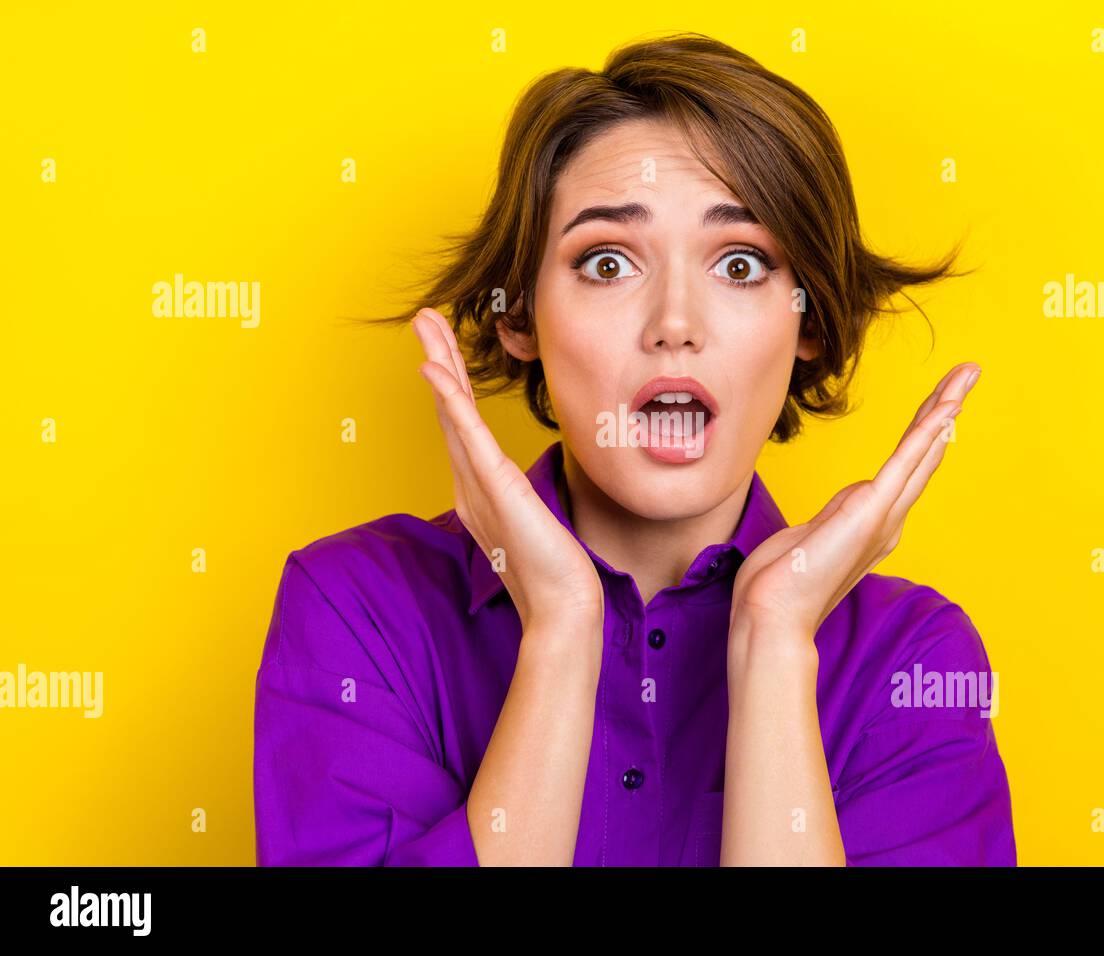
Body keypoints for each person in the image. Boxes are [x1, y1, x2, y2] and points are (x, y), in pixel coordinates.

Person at [254, 32, 1015, 866]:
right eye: (608, 263)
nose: (675, 325)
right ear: (520, 318)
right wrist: (561, 632)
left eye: (740, 264)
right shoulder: (359, 609)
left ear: (809, 318)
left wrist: (774, 640)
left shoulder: (912, 663)